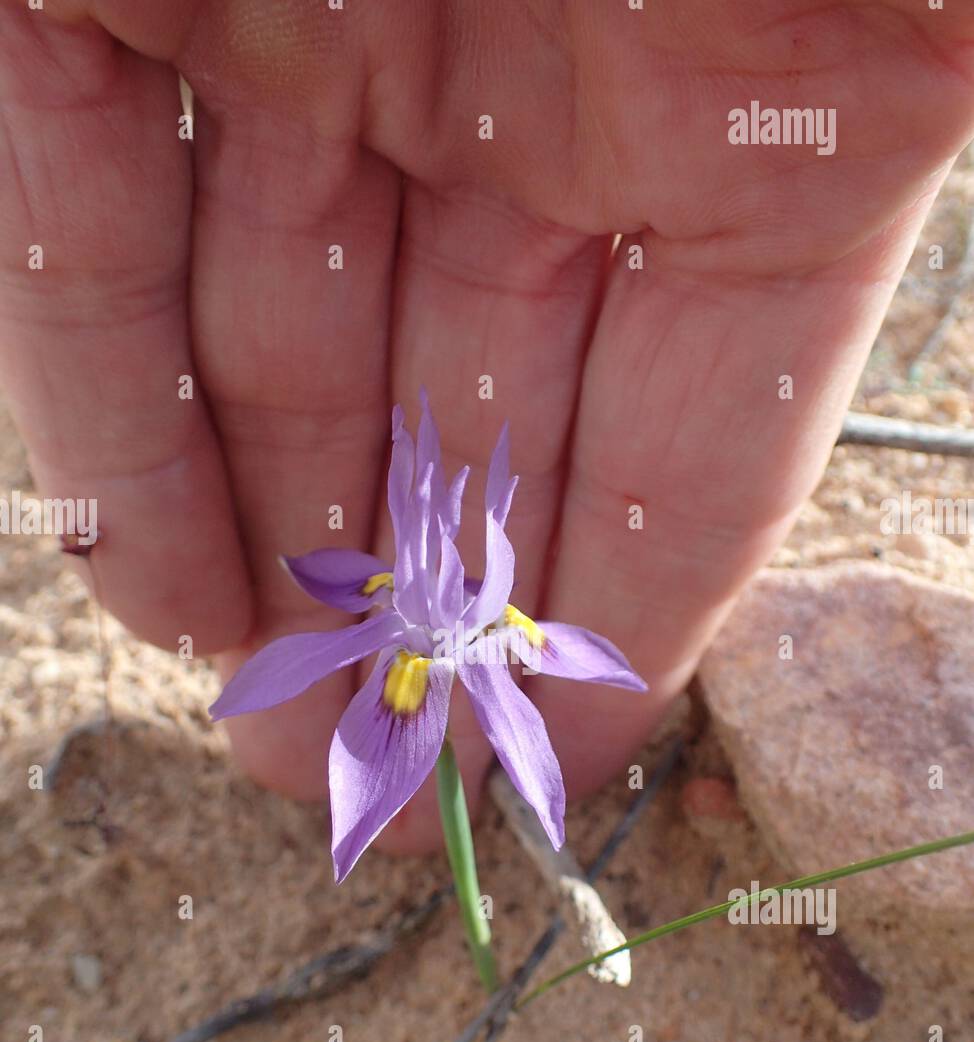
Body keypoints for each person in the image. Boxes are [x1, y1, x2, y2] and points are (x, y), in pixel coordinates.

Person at [1, 0, 971, 857]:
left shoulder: (459, 624)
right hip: (426, 636)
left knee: (495, 683)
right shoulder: (403, 630)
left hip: (462, 627)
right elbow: (331, 584)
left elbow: (530, 640)